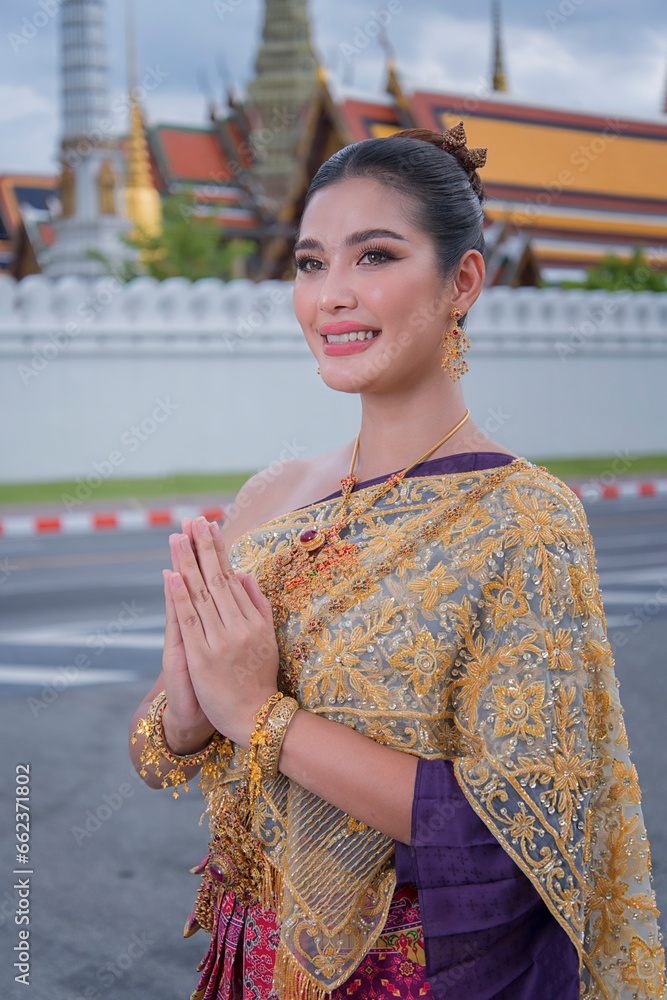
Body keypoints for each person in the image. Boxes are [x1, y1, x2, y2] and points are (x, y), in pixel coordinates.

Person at [129, 122, 665, 1000]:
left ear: (462, 282)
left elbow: (514, 828)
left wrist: (258, 714)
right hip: (242, 966)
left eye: (374, 256)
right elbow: (158, 751)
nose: (331, 295)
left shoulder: (521, 520)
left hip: (401, 975)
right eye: (310, 264)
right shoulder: (270, 497)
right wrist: (189, 710)